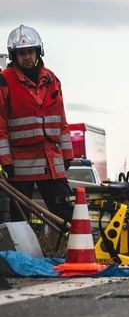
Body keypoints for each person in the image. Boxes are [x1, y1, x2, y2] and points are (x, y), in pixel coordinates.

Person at [0, 24, 76, 225]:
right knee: (20, 220)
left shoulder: (51, 79)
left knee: (66, 213)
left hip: (52, 161)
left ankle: (76, 252)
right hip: (21, 164)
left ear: (38, 52)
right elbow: (0, 125)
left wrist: (68, 155)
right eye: (22, 53)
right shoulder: (4, 81)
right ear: (13, 56)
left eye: (30, 51)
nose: (27, 57)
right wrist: (5, 161)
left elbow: (61, 120)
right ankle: (23, 255)